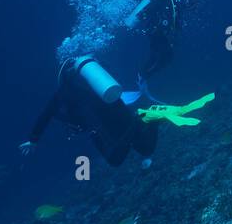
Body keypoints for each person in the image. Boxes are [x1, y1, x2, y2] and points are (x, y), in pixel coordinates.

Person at [20, 56, 157, 167]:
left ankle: (145, 119)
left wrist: (33, 140)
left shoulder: (63, 92)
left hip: (108, 127)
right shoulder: (96, 79)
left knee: (115, 160)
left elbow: (46, 115)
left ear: (62, 77)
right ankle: (146, 119)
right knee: (146, 148)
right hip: (123, 115)